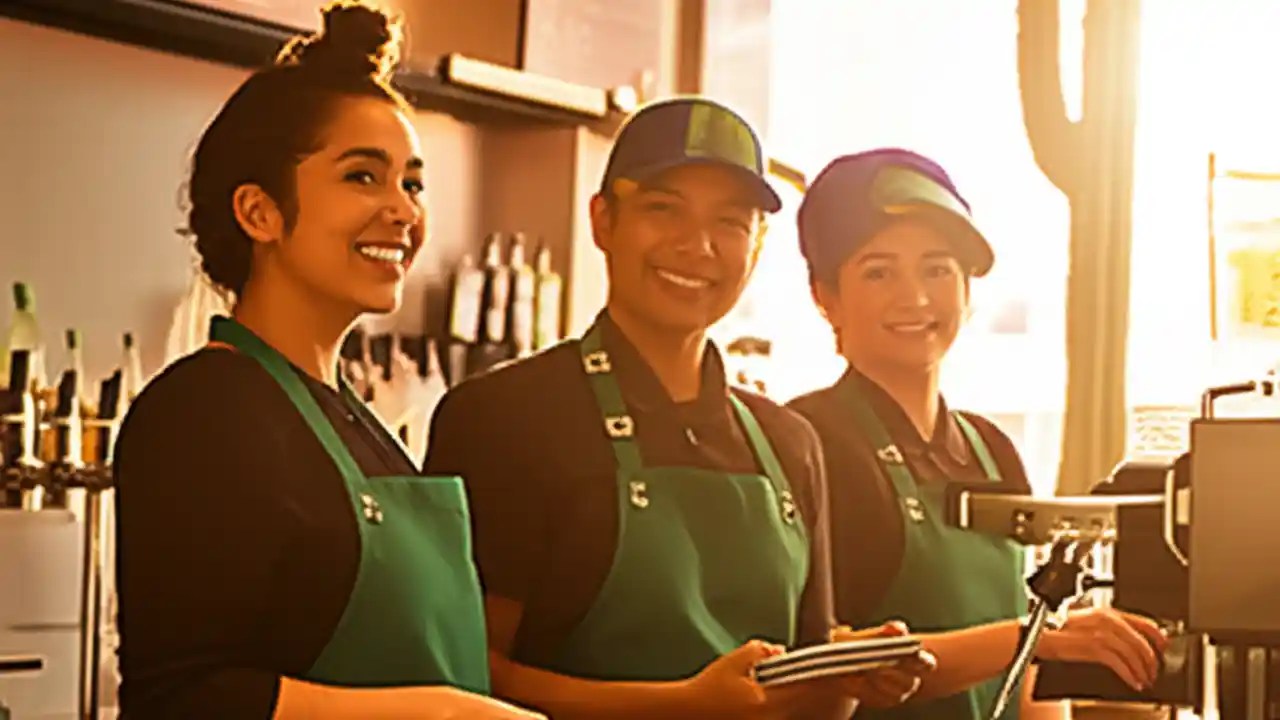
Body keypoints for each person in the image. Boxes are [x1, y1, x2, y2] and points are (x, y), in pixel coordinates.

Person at [423, 98, 933, 720]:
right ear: (603, 221)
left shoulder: (788, 442)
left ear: (757, 245)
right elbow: (462, 676)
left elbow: (814, 698)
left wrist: (845, 672)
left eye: (730, 222)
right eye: (664, 210)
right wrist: (684, 705)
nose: (698, 246)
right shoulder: (502, 418)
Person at [112, 4, 542, 719]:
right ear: (259, 213)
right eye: (363, 178)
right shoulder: (201, 414)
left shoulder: (353, 421)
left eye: (412, 181)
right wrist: (431, 714)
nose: (404, 211)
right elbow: (180, 697)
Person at [786, 148, 1170, 720]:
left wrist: (1043, 643)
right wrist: (1039, 635)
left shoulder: (991, 448)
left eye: (937, 268)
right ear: (825, 296)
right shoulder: (804, 442)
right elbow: (815, 666)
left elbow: (1032, 681)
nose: (914, 297)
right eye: (878, 271)